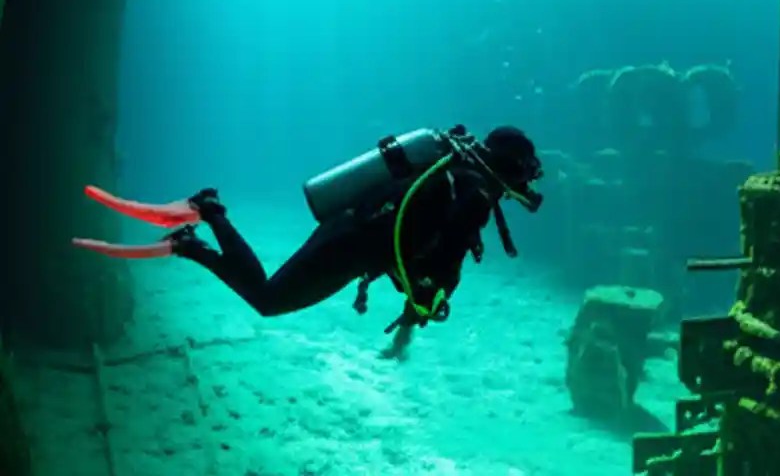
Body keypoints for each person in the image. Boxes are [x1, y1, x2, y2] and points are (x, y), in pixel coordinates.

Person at [76, 125, 544, 332]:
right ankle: (205, 217)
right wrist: (423, 303)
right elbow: (441, 264)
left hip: (350, 232)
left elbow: (420, 245)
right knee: (268, 299)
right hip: (351, 244)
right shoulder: (476, 194)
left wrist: (416, 295)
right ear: (513, 169)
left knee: (271, 298)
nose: (522, 188)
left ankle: (194, 237)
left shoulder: (455, 170)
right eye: (524, 176)